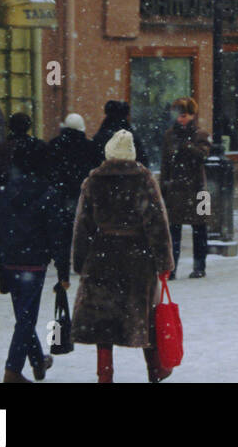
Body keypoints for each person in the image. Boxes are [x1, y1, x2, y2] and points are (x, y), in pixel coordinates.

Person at [71, 129, 175, 382]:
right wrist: (164, 262)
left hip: (102, 255)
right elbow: (157, 224)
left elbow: (82, 225)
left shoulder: (94, 180)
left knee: (103, 321)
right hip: (137, 257)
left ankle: (105, 374)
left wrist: (79, 261)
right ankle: (155, 370)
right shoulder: (144, 179)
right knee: (145, 316)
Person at [0, 136, 70, 382]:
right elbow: (57, 234)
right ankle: (12, 369)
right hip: (34, 262)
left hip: (10, 259)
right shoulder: (48, 193)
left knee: (23, 316)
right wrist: (63, 270)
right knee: (26, 318)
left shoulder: (4, 192)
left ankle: (37, 361)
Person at [160, 97, 212, 280]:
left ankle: (200, 266)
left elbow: (203, 156)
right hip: (176, 188)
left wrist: (187, 145)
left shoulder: (201, 134)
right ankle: (171, 268)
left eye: (184, 116)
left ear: (192, 115)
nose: (180, 119)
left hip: (199, 189)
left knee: (200, 229)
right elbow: (165, 163)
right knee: (173, 230)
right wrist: (163, 186)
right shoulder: (169, 135)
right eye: (178, 115)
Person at [45, 113, 100, 277]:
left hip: (60, 193)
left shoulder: (54, 145)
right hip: (81, 192)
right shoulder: (89, 146)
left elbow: (48, 170)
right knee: (81, 229)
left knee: (62, 231)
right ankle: (81, 261)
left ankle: (63, 264)